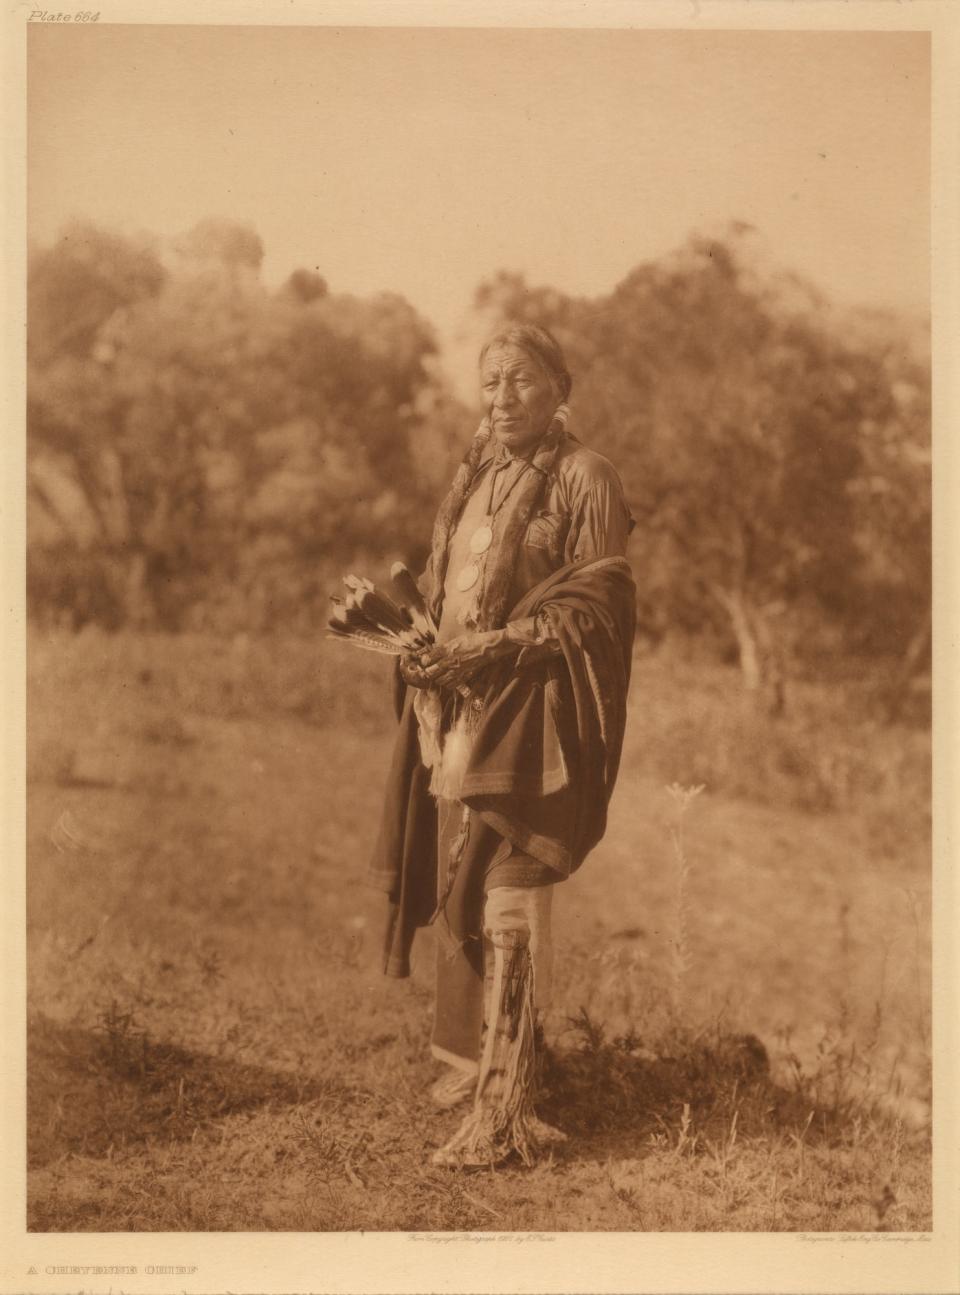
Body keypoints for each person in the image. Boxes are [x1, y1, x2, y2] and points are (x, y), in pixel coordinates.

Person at [368, 324, 636, 1168]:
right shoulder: (476, 474)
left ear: (561, 385)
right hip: (458, 710)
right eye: (489, 383)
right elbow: (451, 584)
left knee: (509, 880)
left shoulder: (586, 477)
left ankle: (506, 1102)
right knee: (460, 881)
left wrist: (494, 647)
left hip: (539, 712)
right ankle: (470, 1066)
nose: (501, 398)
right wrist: (423, 642)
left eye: (520, 380)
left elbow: (599, 604)